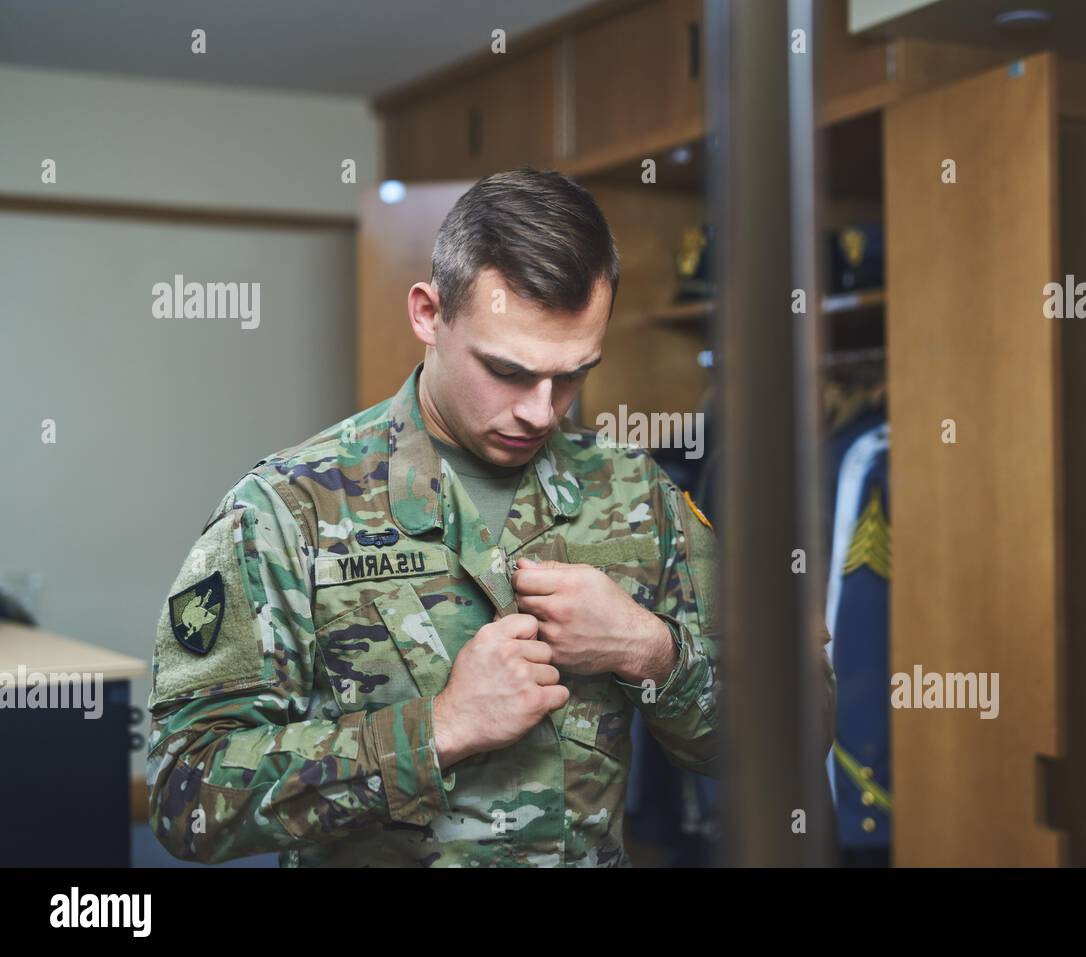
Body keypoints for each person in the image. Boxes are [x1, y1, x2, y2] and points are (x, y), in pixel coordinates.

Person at [146, 167, 835, 867]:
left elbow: (797, 732)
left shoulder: (639, 498)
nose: (541, 409)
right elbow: (184, 795)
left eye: (572, 374)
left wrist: (648, 649)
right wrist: (438, 730)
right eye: (507, 371)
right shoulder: (285, 510)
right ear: (428, 314)